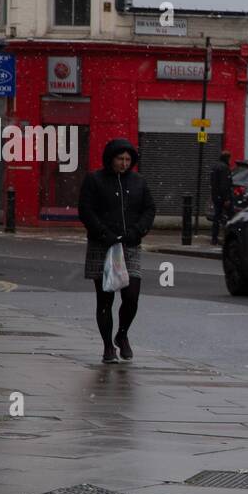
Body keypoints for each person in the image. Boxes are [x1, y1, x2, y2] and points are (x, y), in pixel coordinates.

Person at [78, 138, 156, 364]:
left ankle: (122, 335)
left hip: (129, 245)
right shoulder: (94, 180)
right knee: (105, 300)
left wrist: (138, 230)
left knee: (131, 296)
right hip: (102, 246)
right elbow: (86, 210)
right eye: (120, 159)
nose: (124, 163)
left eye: (128, 159)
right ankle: (107, 347)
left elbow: (149, 209)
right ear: (110, 158)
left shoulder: (139, 182)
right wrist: (103, 233)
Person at [209, 150, 234, 244]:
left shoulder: (215, 166)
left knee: (217, 217)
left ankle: (214, 238)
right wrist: (227, 198)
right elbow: (224, 184)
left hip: (216, 196)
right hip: (223, 197)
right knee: (230, 217)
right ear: (227, 158)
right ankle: (229, 238)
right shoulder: (224, 168)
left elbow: (213, 183)